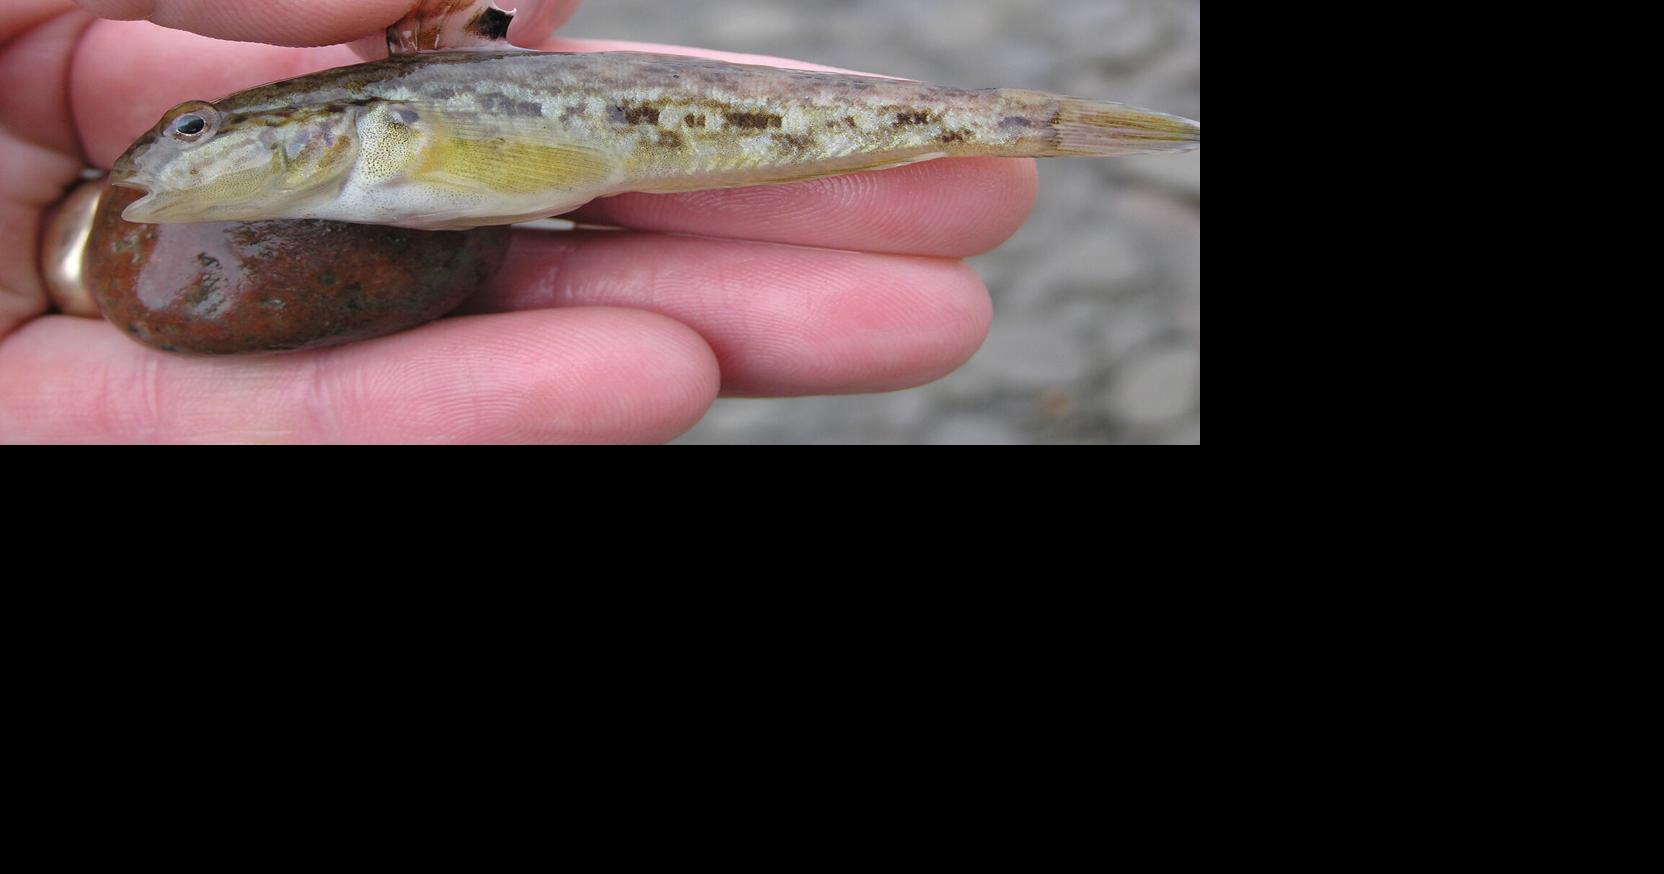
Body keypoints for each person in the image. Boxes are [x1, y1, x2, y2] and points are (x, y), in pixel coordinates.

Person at [0, 0, 1037, 442]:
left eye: (194, 129)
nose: (173, 153)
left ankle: (1001, 122)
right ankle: (999, 122)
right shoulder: (361, 154)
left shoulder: (391, 123)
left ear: (331, 122)